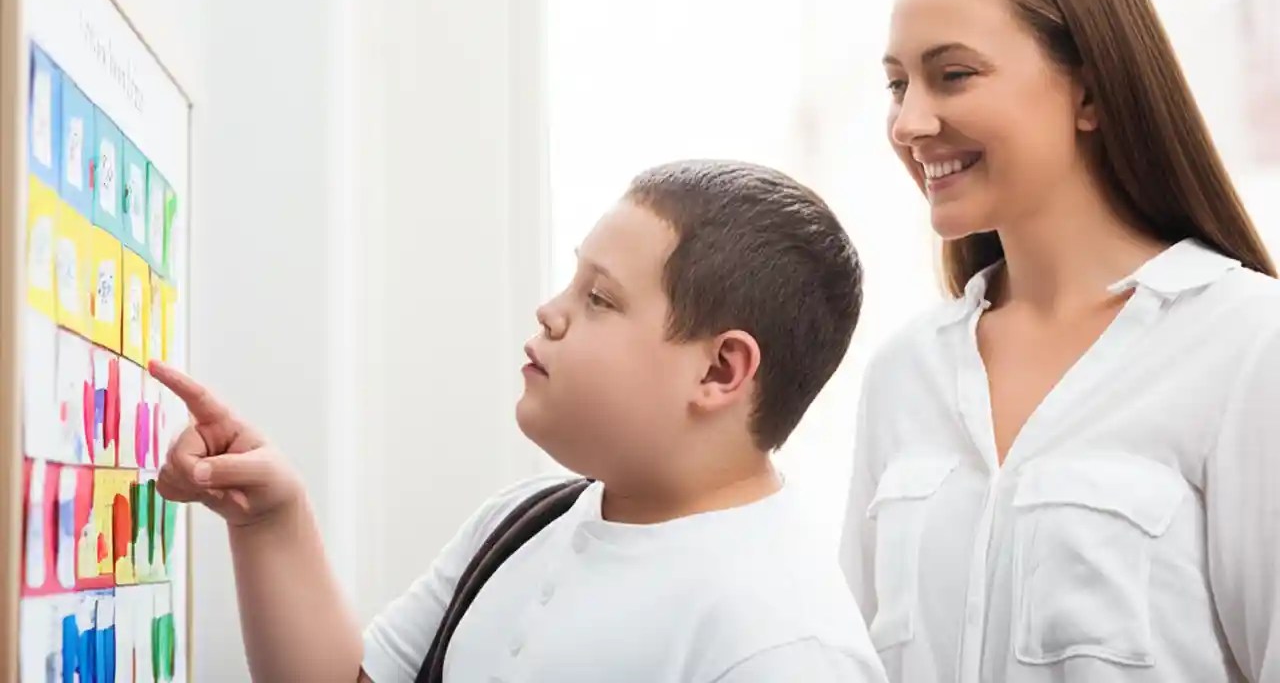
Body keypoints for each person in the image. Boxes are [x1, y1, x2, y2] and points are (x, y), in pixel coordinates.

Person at [153, 160, 888, 682]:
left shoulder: (784, 645)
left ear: (720, 371)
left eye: (599, 298)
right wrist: (269, 520)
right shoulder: (524, 521)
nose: (551, 311)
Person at [840, 0, 1280, 682]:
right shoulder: (903, 374)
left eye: (952, 74)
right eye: (898, 85)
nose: (909, 123)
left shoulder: (1250, 346)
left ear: (1091, 92)